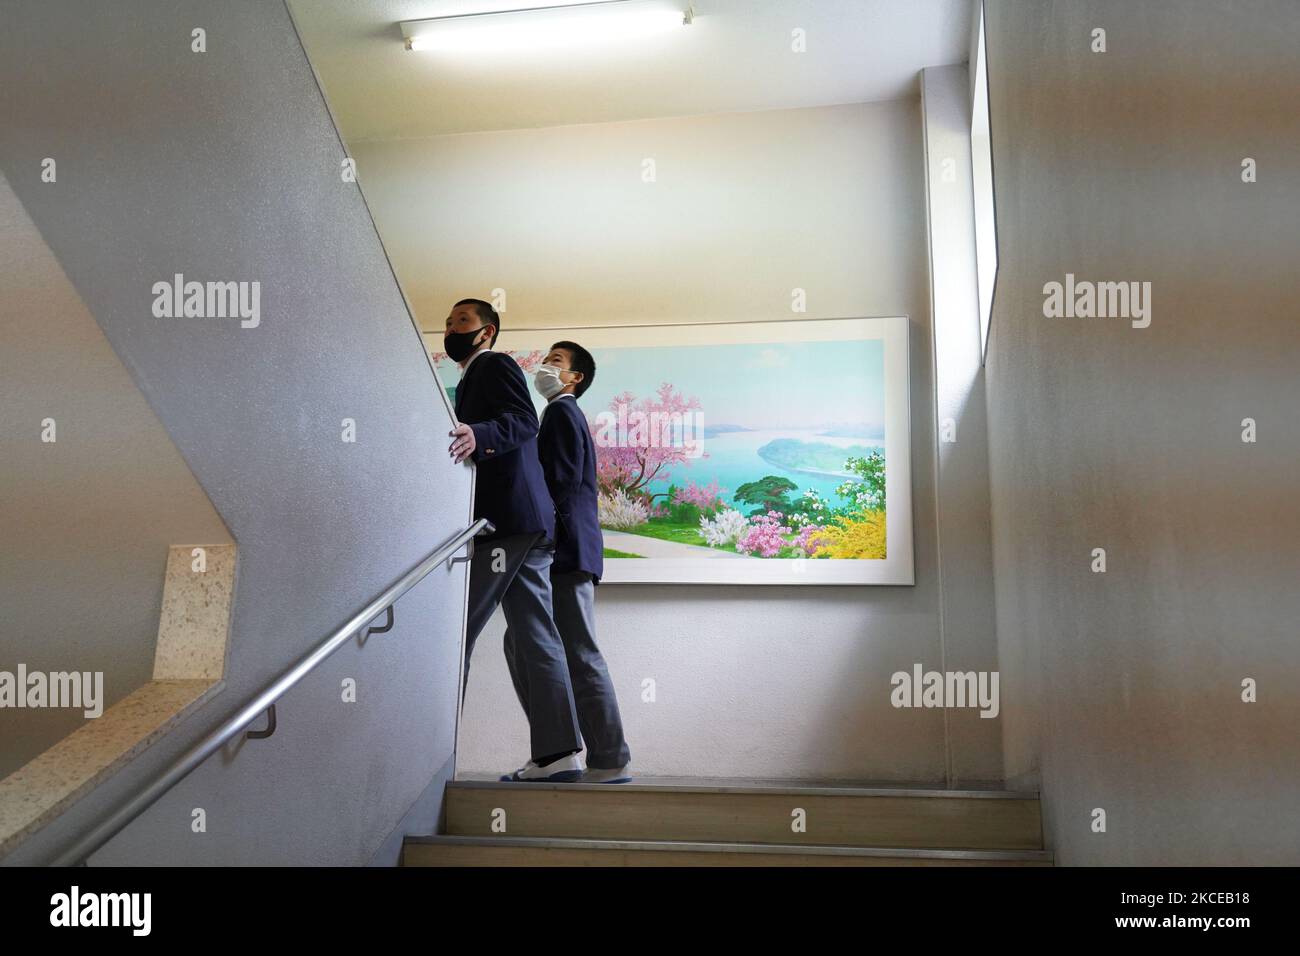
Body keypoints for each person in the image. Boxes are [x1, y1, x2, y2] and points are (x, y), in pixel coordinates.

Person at [445, 299, 583, 782]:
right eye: (447, 322)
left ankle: (429, 755)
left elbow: (523, 420)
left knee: (453, 632)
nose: (451, 328)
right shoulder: (466, 381)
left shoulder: (495, 364)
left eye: (461, 321)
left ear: (487, 332)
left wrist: (476, 433)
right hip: (524, 525)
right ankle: (558, 754)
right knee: (534, 634)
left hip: (508, 524)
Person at [504, 340, 632, 784]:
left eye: (555, 361)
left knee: (576, 649)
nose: (544, 365)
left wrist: (540, 536)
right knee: (522, 643)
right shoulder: (558, 414)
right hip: (569, 548)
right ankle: (563, 753)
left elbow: (556, 481)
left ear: (574, 378)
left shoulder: (561, 412)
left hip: (564, 550)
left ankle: (607, 758)